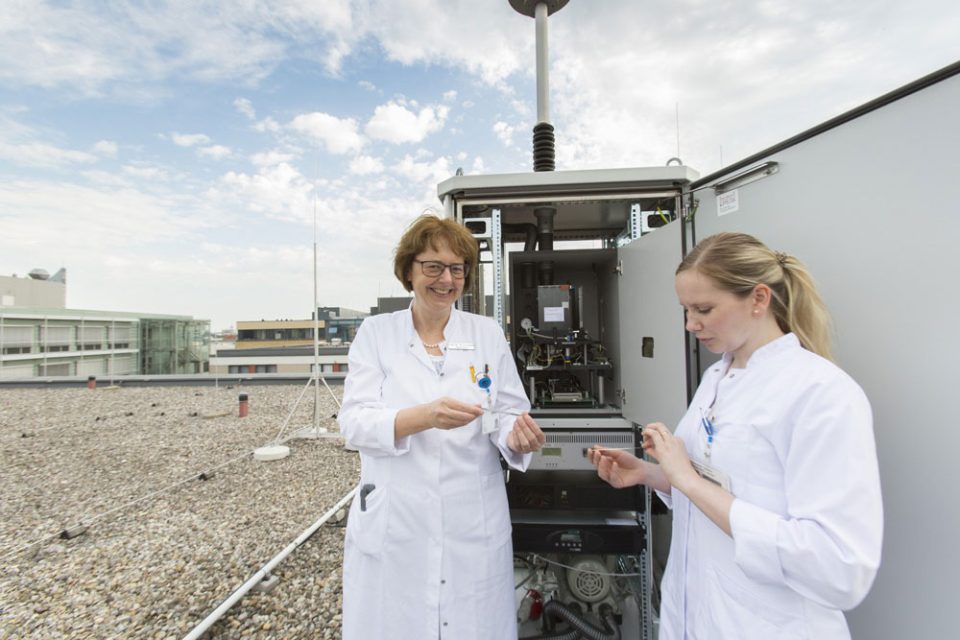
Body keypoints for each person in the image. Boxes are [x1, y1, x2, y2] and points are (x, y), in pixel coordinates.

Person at [589, 232, 882, 639]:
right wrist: (651, 474)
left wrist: (687, 478)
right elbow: (727, 485)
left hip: (768, 624)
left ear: (759, 299)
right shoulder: (717, 377)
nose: (690, 324)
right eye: (686, 310)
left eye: (704, 309)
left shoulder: (821, 393)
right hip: (696, 614)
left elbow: (839, 567)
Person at [338, 214, 546, 640]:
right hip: (399, 516)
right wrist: (423, 417)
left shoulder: (486, 333)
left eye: (456, 268)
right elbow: (354, 422)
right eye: (433, 266)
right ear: (409, 271)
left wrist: (514, 433)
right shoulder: (377, 334)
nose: (446, 279)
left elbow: (504, 409)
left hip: (471, 515)